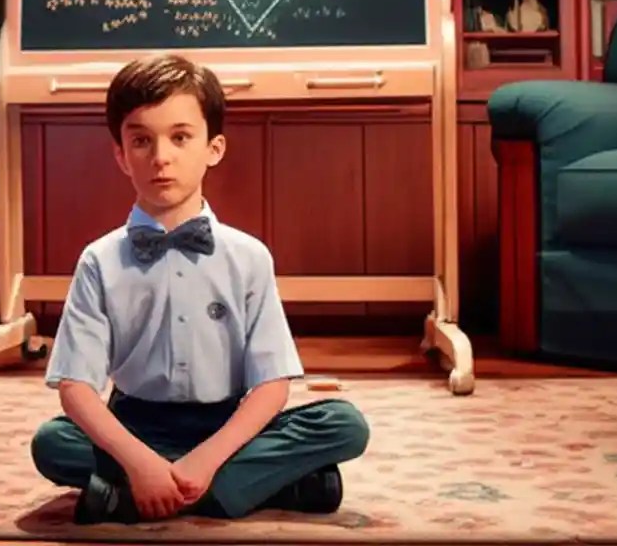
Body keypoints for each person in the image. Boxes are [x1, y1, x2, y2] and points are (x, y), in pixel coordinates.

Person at [30, 53, 370, 525]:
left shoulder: (248, 256)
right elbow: (76, 388)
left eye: (180, 137)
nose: (161, 157)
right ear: (120, 154)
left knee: (344, 425)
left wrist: (205, 460)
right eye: (141, 140)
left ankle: (126, 498)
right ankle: (268, 486)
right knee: (52, 443)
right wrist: (141, 461)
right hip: (138, 426)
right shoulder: (99, 261)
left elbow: (272, 385)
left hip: (227, 428)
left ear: (214, 147)